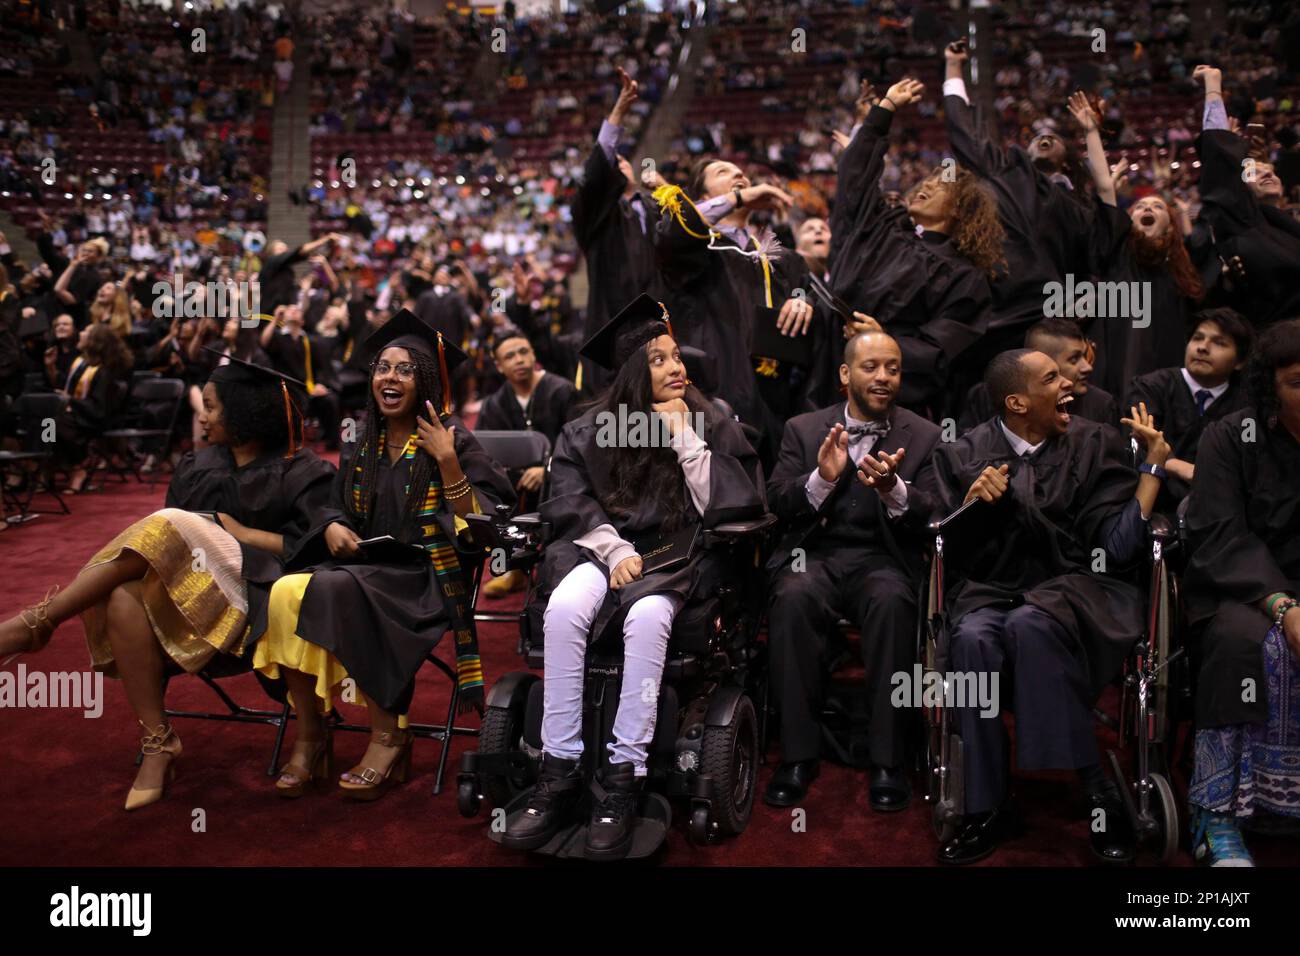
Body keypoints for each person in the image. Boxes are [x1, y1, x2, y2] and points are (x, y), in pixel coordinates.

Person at [0, 355, 335, 809]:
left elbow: (317, 552)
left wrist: (244, 535)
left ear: (245, 412)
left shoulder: (303, 471)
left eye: (213, 406)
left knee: (169, 520)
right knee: (122, 594)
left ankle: (38, 622)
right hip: (186, 605)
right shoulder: (197, 465)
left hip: (258, 605)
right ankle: (158, 742)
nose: (202, 414)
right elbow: (158, 551)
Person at [500, 294, 765, 859]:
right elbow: (568, 499)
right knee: (566, 607)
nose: (677, 368)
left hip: (676, 557)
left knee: (647, 617)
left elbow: (732, 505)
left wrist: (685, 439)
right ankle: (559, 769)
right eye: (660, 360)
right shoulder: (589, 428)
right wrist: (612, 547)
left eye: (677, 357)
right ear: (630, 374)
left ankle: (624, 776)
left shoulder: (707, 417)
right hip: (601, 548)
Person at [253, 309, 513, 801]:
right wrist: (331, 525)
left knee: (332, 587)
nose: (389, 378)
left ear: (426, 381)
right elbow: (334, 504)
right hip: (365, 568)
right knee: (284, 592)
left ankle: (389, 733)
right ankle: (312, 733)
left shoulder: (453, 438)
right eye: (382, 368)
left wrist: (449, 461)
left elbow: (485, 525)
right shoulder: (361, 440)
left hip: (425, 578)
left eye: (404, 369)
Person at [930, 347, 1172, 864]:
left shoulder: (1096, 443)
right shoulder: (963, 453)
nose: (1071, 385)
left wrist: (1152, 467)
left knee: (1031, 622)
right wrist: (971, 505)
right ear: (1017, 401)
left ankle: (1094, 789)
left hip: (1083, 589)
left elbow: (1118, 550)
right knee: (972, 637)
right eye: (1052, 379)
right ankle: (987, 803)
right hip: (991, 590)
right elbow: (947, 546)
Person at [764, 331, 940, 811]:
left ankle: (888, 760)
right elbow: (775, 502)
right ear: (845, 374)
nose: (883, 377)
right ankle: (797, 757)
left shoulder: (924, 434)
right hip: (814, 556)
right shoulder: (802, 429)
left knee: (891, 603)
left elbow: (937, 513)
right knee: (793, 596)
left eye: (893, 368)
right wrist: (821, 478)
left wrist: (894, 491)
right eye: (871, 367)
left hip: (883, 560)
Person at [1183, 318, 1300, 865]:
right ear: (1269, 387)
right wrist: (1282, 603)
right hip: (1243, 586)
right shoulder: (1232, 435)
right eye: (1298, 382)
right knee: (1239, 643)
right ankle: (1220, 816)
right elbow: (1218, 532)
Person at [829, 76, 1000, 417]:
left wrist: (883, 339)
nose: (927, 186)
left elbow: (940, 350)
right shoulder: (883, 226)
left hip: (894, 401)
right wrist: (884, 110)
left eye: (941, 187)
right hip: (827, 366)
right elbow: (855, 180)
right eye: (928, 180)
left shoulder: (964, 277)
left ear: (959, 209)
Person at [652, 146, 811, 467]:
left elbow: (802, 282)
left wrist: (801, 298)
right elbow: (679, 229)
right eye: (723, 172)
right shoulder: (696, 246)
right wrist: (738, 198)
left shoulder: (774, 253)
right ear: (702, 196)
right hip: (719, 388)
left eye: (741, 172)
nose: (739, 174)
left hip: (777, 394)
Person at [942, 41, 1092, 358]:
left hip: (1060, 319)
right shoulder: (1006, 172)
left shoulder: (1081, 207)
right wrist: (954, 68)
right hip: (1002, 315)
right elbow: (963, 131)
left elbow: (1100, 256)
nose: (1045, 137)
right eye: (1037, 138)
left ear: (1068, 162)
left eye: (1054, 138)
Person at [1067, 91, 1204, 396]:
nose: (1146, 209)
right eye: (1140, 207)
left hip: (1169, 379)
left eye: (1156, 207)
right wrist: (1091, 131)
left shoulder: (1183, 272)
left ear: (1171, 224)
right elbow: (1104, 188)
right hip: (1115, 373)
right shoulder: (1120, 252)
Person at [572, 66, 660, 393]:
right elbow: (593, 180)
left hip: (664, 330)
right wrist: (618, 114)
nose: (615, 164)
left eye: (620, 160)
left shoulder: (656, 209)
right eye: (610, 163)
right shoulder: (598, 221)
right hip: (612, 334)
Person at [1191, 66, 1300, 327]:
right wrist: (1213, 84)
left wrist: (1248, 158)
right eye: (1256, 172)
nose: (1267, 174)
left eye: (1272, 171)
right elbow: (1222, 162)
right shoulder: (1241, 221)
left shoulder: (1290, 226)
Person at [476, 329, 579, 597]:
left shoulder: (562, 391)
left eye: (524, 352)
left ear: (533, 354)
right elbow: (482, 456)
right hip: (512, 489)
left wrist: (547, 469)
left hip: (558, 482)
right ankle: (510, 568)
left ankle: (558, 567)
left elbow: (579, 444)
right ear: (499, 366)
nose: (519, 359)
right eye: (510, 356)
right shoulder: (494, 405)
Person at [1124, 308, 1253, 506]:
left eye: (1219, 343)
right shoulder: (1151, 387)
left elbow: (1247, 460)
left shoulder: (1248, 405)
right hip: (1154, 500)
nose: (1202, 348)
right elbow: (1140, 441)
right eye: (1197, 338)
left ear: (1240, 362)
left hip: (1221, 504)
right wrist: (1177, 466)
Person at [959, 319, 1117, 433]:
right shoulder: (986, 396)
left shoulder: (1101, 404)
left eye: (1085, 355)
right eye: (1074, 359)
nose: (1088, 367)